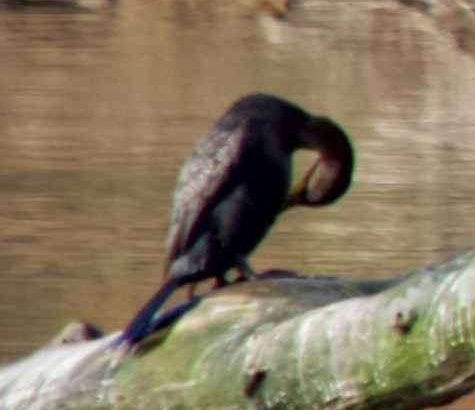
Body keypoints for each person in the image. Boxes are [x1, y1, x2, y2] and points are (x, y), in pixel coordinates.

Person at [121, 94, 356, 347]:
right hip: (202, 250)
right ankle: (236, 268)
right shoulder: (253, 125)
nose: (292, 200)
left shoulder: (274, 129)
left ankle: (232, 270)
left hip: (216, 252)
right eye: (301, 197)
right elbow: (206, 201)